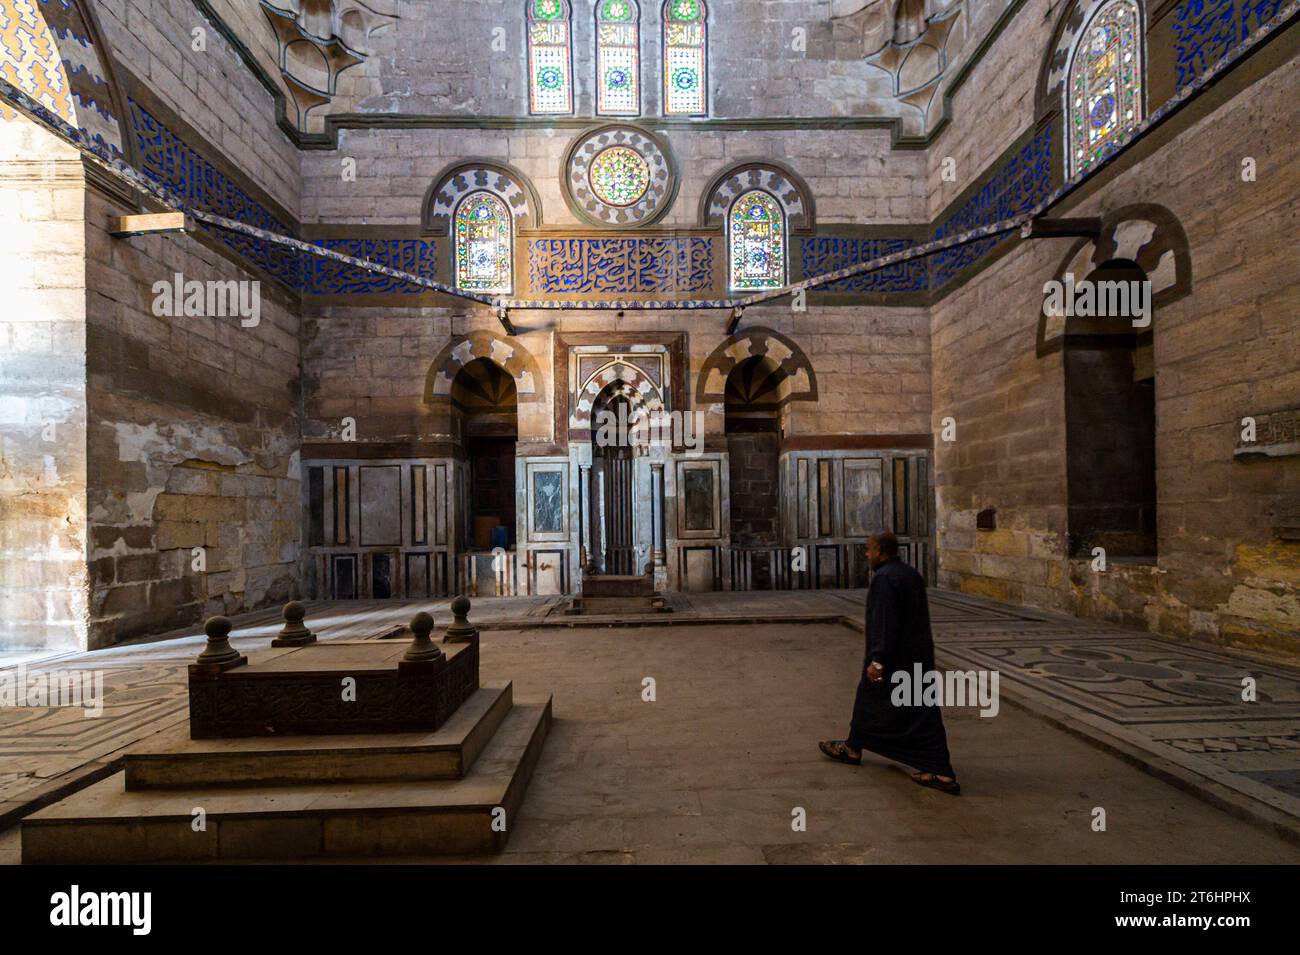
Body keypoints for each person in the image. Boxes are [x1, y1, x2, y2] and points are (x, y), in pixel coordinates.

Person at [818, 531, 960, 795]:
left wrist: (878, 659)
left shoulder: (885, 579)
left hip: (894, 660)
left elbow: (886, 620)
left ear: (882, 551)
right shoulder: (910, 574)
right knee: (884, 705)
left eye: (870, 550)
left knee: (911, 712)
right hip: (915, 657)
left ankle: (941, 773)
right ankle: (853, 746)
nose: (867, 554)